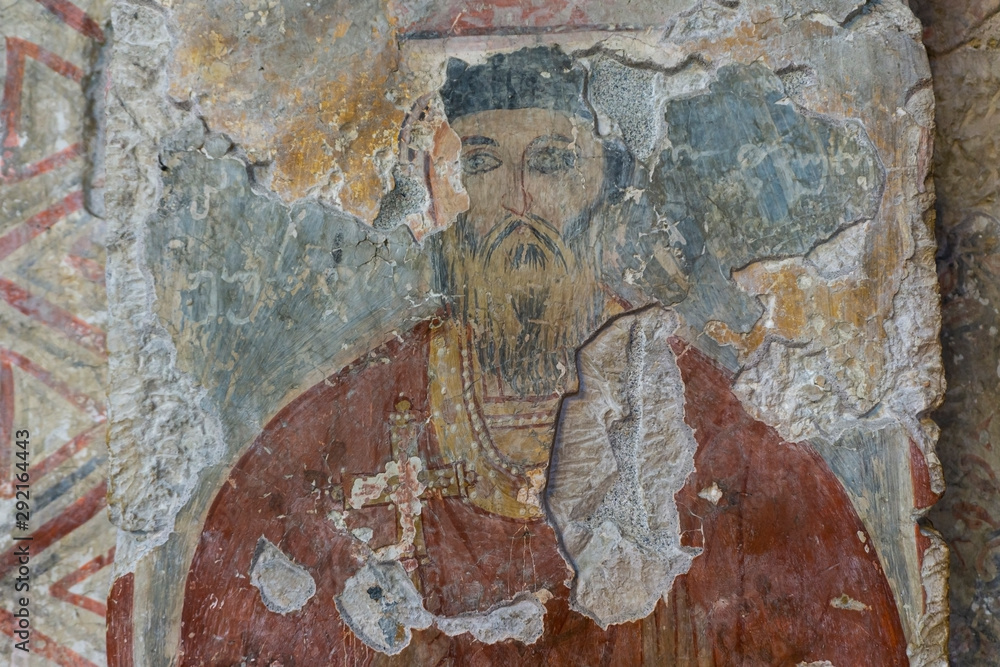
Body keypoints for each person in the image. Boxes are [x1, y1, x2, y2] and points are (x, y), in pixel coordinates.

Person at [177, 46, 908, 665]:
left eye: (553, 161)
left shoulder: (709, 435)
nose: (519, 200)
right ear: (443, 193)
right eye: (484, 163)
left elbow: (841, 620)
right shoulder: (348, 430)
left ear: (609, 188)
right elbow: (233, 609)